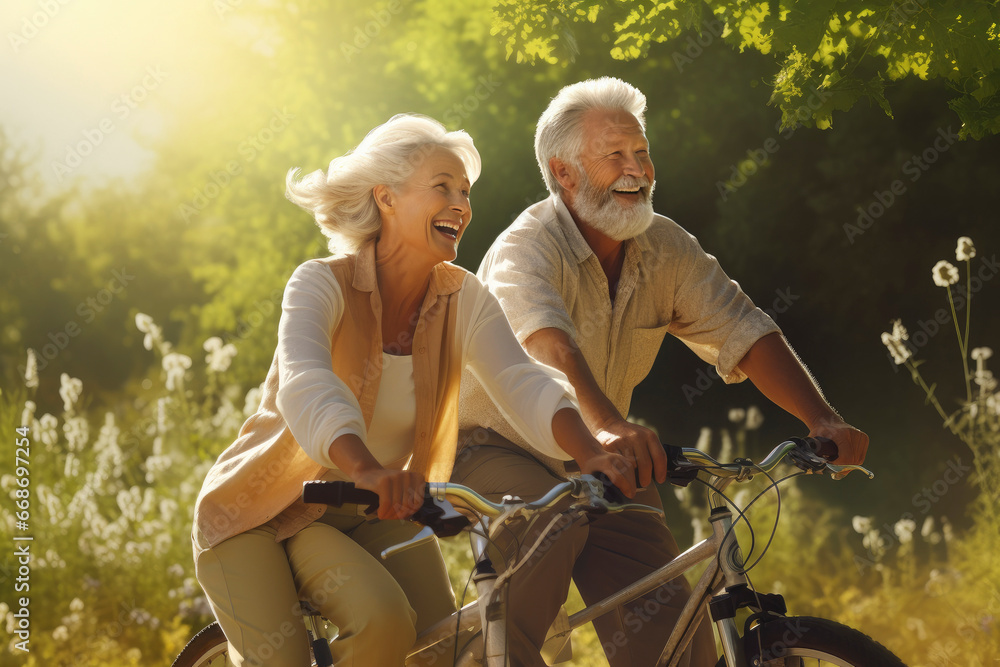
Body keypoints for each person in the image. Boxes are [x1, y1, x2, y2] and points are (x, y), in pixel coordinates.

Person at [452, 77, 871, 667]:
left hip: (603, 449)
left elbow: (743, 329)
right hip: (496, 444)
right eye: (615, 156)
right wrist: (604, 426)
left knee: (675, 642)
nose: (637, 170)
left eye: (642, 153)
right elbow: (547, 346)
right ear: (564, 174)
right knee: (550, 536)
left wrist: (821, 418)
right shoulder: (527, 248)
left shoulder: (664, 245)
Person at [190, 114, 634, 667]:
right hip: (261, 510)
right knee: (381, 625)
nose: (461, 204)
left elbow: (523, 381)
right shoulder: (320, 283)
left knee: (445, 647)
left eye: (465, 192)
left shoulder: (460, 297)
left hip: (373, 512)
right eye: (441, 187)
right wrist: (368, 468)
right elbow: (306, 383)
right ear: (386, 199)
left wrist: (589, 450)